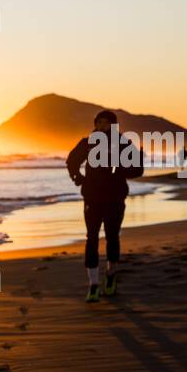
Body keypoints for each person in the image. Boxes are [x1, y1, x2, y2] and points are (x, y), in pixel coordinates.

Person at [65, 109, 143, 302]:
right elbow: (72, 161)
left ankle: (110, 274)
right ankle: (93, 284)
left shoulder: (124, 144)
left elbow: (138, 169)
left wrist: (117, 171)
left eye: (105, 123)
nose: (101, 126)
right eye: (98, 122)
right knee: (91, 237)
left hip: (115, 198)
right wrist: (78, 177)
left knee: (112, 237)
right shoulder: (88, 142)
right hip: (92, 197)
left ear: (113, 125)